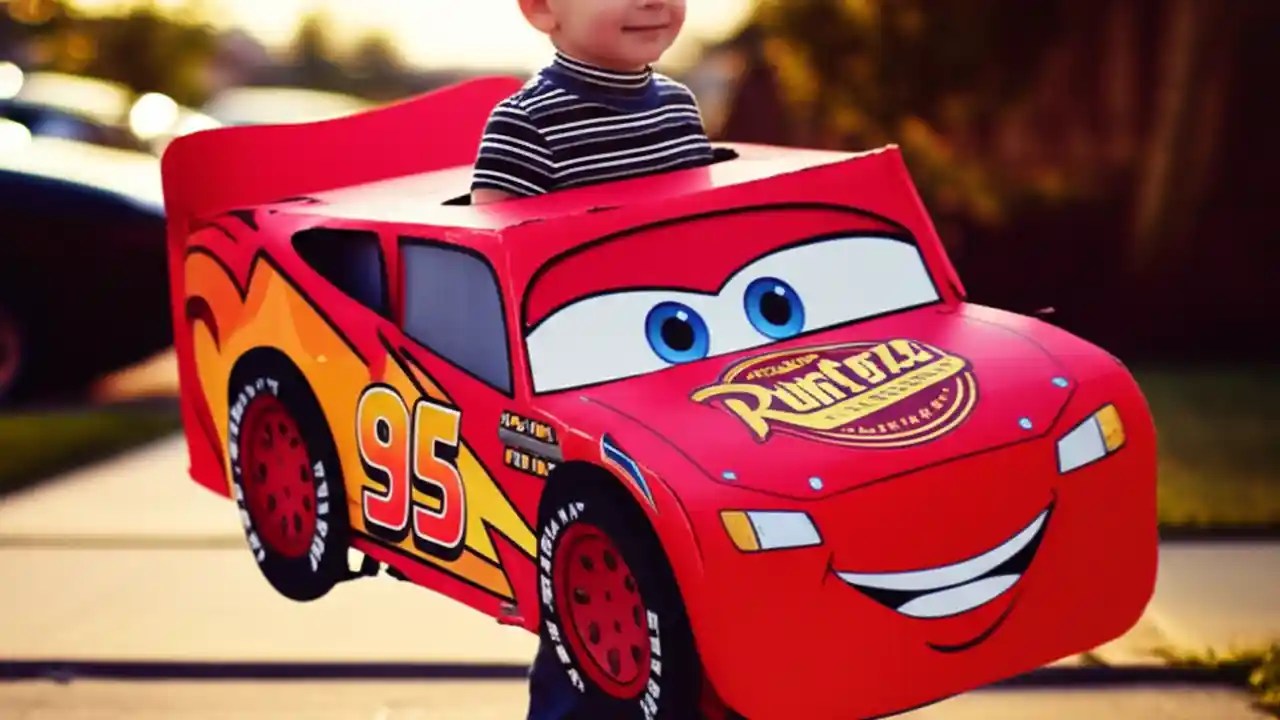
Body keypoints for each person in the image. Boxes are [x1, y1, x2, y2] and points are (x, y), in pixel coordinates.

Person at [470, 0, 714, 205]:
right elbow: (493, 240)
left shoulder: (679, 105)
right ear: (541, 7)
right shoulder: (526, 123)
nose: (652, 2)